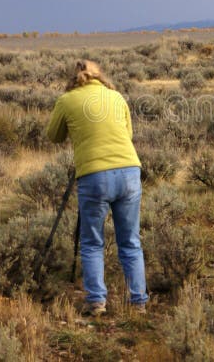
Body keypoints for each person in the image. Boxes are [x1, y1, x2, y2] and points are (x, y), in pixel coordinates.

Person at [46, 60, 147, 316]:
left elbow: (53, 136)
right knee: (131, 241)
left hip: (94, 174)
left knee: (92, 242)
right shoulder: (116, 96)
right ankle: (138, 301)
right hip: (129, 170)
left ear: (74, 77)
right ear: (99, 76)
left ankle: (97, 302)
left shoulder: (67, 100)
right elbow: (128, 133)